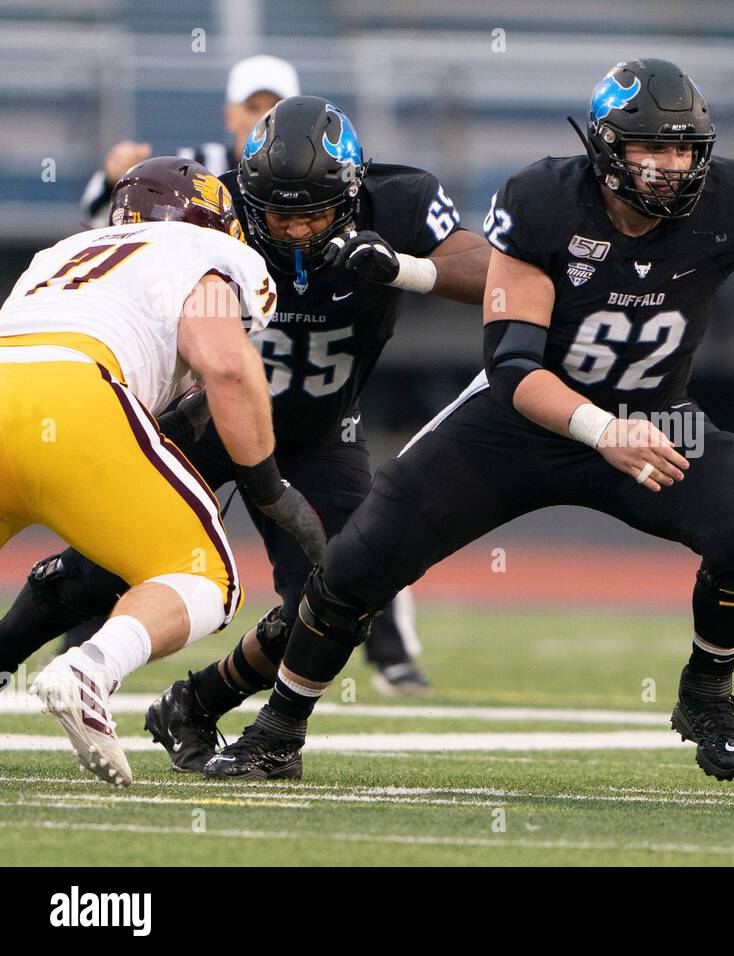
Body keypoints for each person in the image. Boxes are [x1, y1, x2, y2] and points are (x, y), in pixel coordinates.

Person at [203, 58, 734, 782]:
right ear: (606, 149)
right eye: (649, 147)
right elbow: (512, 370)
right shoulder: (543, 203)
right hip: (521, 422)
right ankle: (278, 731)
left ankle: (707, 692)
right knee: (358, 563)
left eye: (682, 149)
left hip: (656, 417)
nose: (669, 166)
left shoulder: (729, 201)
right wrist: (604, 432)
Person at [0, 97, 490, 774]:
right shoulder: (214, 212)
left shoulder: (399, 202)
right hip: (207, 414)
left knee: (344, 591)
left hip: (319, 430)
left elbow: (499, 275)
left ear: (352, 193)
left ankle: (204, 705)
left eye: (313, 211)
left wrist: (406, 267)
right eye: (278, 212)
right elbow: (136, 258)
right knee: (111, 563)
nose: (292, 229)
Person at [0, 156, 323, 787]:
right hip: (74, 392)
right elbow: (226, 366)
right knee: (204, 576)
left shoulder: (62, 253)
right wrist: (267, 487)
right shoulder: (203, 251)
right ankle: (91, 667)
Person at [81, 55, 301, 227]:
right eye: (252, 108)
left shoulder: (317, 169)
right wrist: (116, 177)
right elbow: (98, 214)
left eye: (276, 108)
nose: (264, 117)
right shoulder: (195, 164)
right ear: (230, 116)